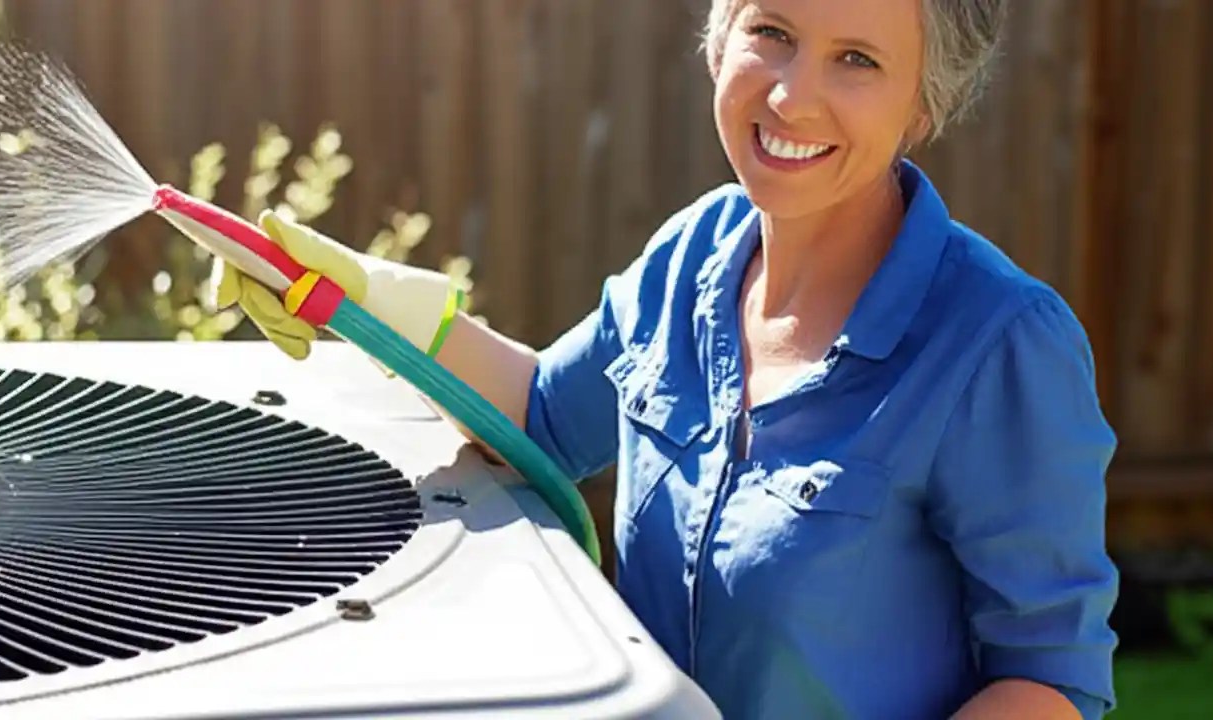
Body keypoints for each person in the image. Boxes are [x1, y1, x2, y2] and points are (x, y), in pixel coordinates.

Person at [212, 0, 1119, 717]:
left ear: (926, 101)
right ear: (720, 37)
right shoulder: (692, 255)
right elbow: (537, 422)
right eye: (772, 32)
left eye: (858, 59)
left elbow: (1048, 681)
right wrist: (366, 305)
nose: (792, 96)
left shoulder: (997, 342)